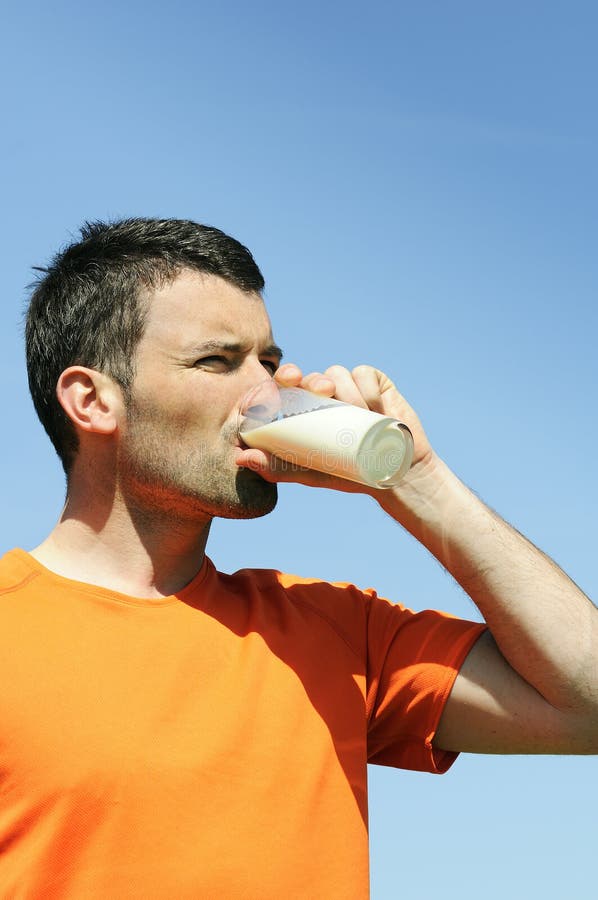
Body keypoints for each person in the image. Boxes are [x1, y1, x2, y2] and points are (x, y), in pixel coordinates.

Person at [1, 218, 595, 898]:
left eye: (266, 359)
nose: (265, 391)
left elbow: (588, 703)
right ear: (93, 400)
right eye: (217, 362)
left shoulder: (339, 633)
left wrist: (418, 482)